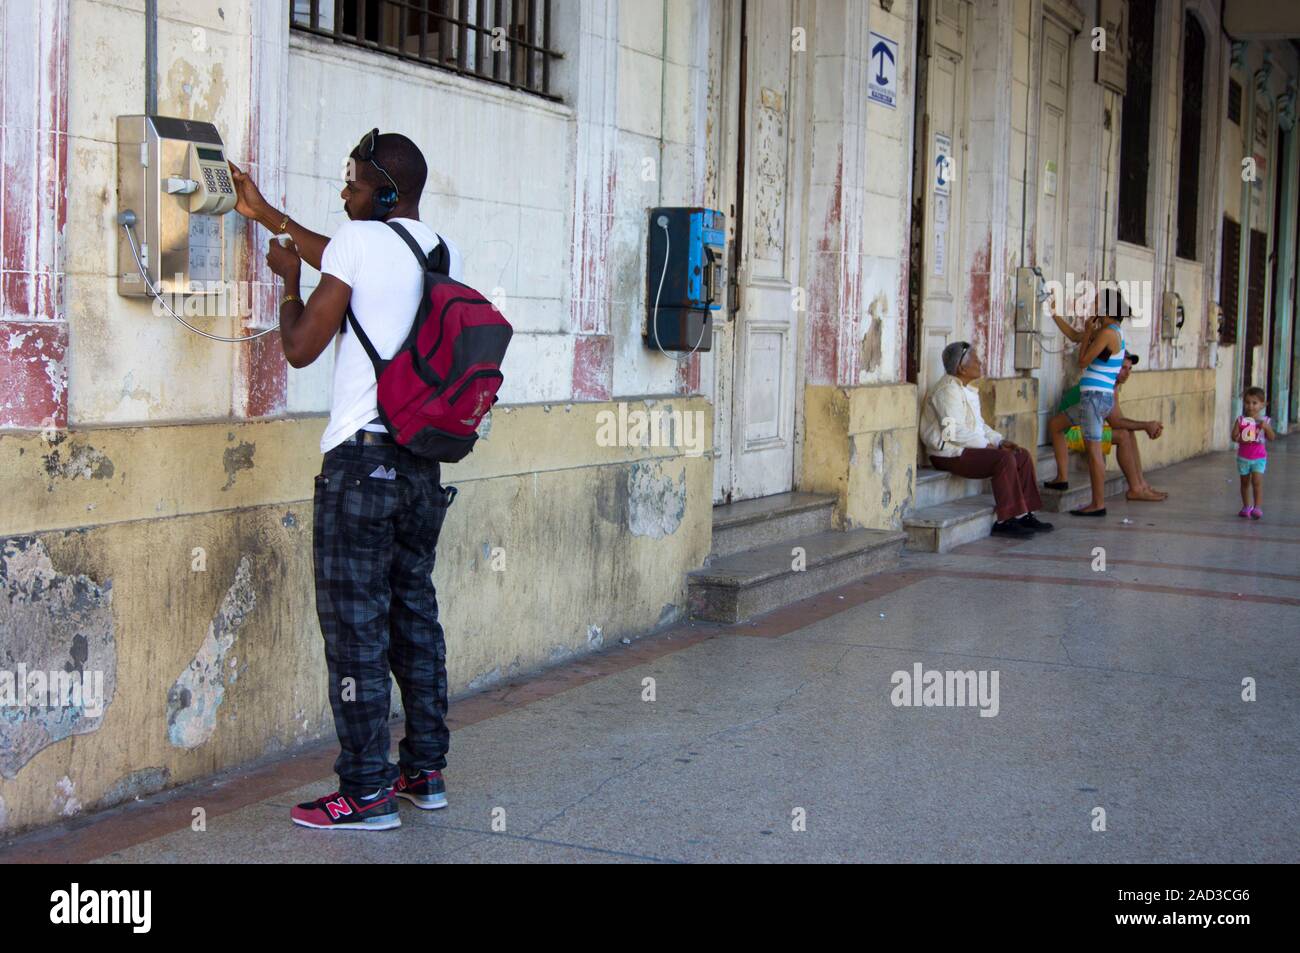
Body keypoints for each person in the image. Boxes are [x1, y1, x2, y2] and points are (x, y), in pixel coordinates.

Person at [229, 130, 464, 831]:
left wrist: (290, 284)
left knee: (356, 634)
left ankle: (365, 790)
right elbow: (339, 249)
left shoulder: (360, 241)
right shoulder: (436, 249)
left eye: (354, 184)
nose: (344, 194)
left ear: (383, 192)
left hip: (360, 470)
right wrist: (268, 213)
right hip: (419, 467)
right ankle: (424, 771)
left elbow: (301, 348)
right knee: (413, 619)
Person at [919, 341, 1054, 538]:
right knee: (1003, 459)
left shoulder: (966, 389)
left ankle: (1025, 514)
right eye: (975, 360)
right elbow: (952, 433)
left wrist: (999, 441)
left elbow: (979, 425)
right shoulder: (947, 391)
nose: (980, 363)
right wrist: (987, 446)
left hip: (967, 448)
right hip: (947, 453)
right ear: (961, 367)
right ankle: (1005, 520)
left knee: (1020, 455)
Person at [1045, 351, 1168, 502]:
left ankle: (1141, 485)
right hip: (1070, 434)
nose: (1127, 373)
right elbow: (1116, 422)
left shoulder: (1112, 386)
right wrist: (1146, 425)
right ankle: (1135, 488)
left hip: (1085, 429)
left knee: (1128, 432)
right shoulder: (1102, 386)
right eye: (1123, 368)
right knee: (1123, 435)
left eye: (1129, 369)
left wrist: (1145, 425)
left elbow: (1120, 420)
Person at [1058, 288, 1129, 516]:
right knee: (1056, 425)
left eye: (1098, 304)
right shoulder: (1107, 331)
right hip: (1094, 397)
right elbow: (1073, 336)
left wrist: (1089, 331)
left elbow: (1083, 361)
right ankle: (1061, 477)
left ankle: (1097, 504)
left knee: (1093, 450)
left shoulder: (1108, 333)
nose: (1094, 308)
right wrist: (1053, 313)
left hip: (1095, 398)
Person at [1232, 385, 1275, 520]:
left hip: (1259, 458)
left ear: (1262, 405)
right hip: (1243, 458)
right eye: (1247, 402)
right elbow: (1233, 436)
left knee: (1256, 482)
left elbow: (1272, 438)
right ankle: (1246, 506)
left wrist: (1266, 427)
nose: (1251, 406)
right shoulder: (1240, 420)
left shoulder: (1265, 421)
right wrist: (1241, 437)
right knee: (1244, 482)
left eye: (1255, 403)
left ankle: (1257, 507)